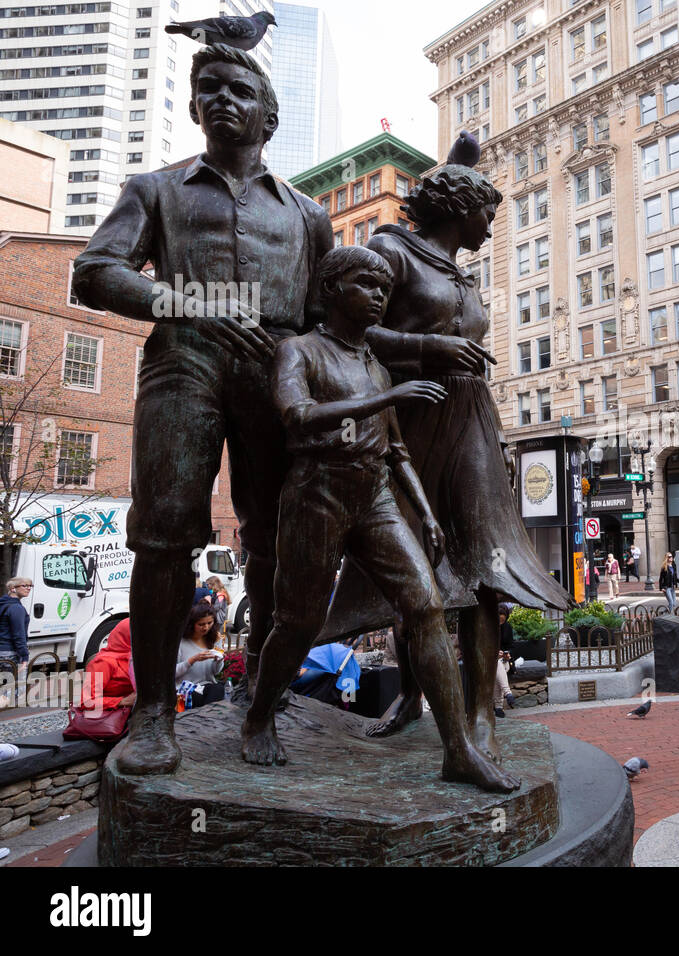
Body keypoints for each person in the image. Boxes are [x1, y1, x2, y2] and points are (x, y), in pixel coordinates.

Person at [70, 43, 339, 774]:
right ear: (193, 107)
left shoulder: (311, 216)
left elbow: (325, 318)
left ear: (268, 115)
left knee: (277, 538)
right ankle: (154, 714)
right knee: (163, 535)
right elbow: (94, 272)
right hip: (182, 361)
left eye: (239, 88)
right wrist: (186, 303)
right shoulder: (155, 189)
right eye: (208, 88)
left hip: (278, 369)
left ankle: (262, 691)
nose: (222, 97)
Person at [241, 244, 516, 792]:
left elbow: (397, 452)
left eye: (385, 290)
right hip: (317, 494)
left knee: (427, 605)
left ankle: (458, 749)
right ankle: (258, 716)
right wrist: (383, 398)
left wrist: (427, 512)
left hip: (377, 497)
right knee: (297, 624)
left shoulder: (376, 364)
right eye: (367, 286)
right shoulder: (299, 351)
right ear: (331, 290)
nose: (379, 297)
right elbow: (297, 418)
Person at [320, 156, 570, 758]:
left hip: (473, 419)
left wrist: (499, 445)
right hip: (411, 417)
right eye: (487, 211)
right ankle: (411, 695)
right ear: (459, 207)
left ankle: (482, 713)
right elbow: (345, 330)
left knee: (488, 563)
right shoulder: (392, 250)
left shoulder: (465, 277)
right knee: (415, 566)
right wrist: (429, 346)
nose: (491, 223)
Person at [79, 618, 136, 714]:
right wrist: (122, 701)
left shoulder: (138, 658)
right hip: (111, 718)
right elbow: (86, 702)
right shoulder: (103, 662)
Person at [175, 602, 225, 690]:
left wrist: (219, 660)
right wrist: (192, 660)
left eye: (209, 623)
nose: (206, 627)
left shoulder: (215, 639)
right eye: (201, 624)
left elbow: (216, 672)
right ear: (192, 624)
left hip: (207, 686)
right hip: (186, 689)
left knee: (218, 690)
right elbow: (172, 673)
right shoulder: (181, 642)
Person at [0, 577, 32, 708]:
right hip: (10, 652)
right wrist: (24, 656)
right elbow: (19, 635)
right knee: (14, 691)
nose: (29, 588)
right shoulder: (16, 608)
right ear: (13, 588)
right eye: (24, 585)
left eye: (30, 586)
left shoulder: (2, 604)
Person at [495, 603, 515, 719]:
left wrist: (508, 655)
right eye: (499, 620)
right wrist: (494, 652)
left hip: (505, 661)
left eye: (502, 620)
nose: (500, 622)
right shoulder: (488, 627)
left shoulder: (508, 627)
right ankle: (507, 693)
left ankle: (498, 706)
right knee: (496, 666)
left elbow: (512, 646)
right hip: (491, 660)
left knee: (499, 668)